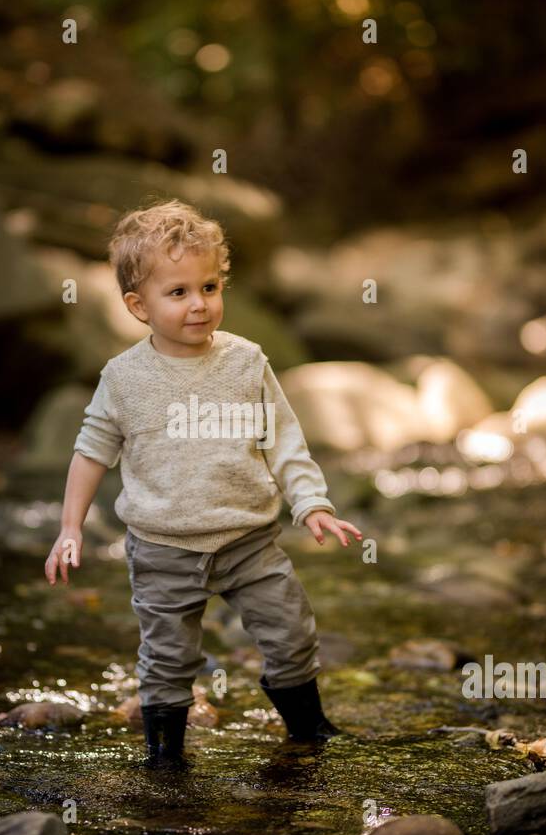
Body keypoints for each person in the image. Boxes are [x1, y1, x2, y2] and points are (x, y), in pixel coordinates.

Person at [45, 199, 362, 766]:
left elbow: (284, 441)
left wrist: (312, 504)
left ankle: (307, 732)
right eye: (178, 293)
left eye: (209, 287)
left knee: (291, 633)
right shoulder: (124, 378)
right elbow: (91, 451)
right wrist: (70, 527)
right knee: (168, 658)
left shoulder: (247, 362)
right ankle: (165, 758)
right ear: (137, 306)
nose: (199, 304)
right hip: (163, 546)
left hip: (248, 540)